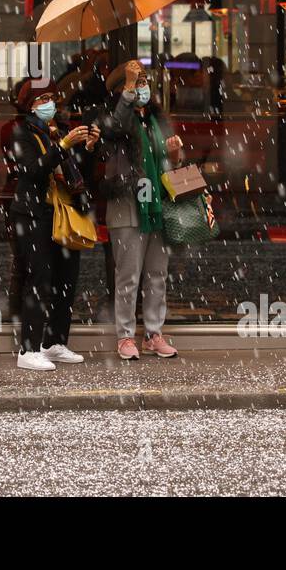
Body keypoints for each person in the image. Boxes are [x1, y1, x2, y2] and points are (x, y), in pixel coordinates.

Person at [5, 82, 98, 371]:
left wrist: (89, 147)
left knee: (66, 280)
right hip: (35, 213)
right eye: (42, 99)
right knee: (39, 279)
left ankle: (54, 342)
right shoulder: (22, 133)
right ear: (30, 105)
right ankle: (28, 348)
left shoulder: (58, 130)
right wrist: (63, 146)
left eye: (52, 98)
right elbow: (32, 170)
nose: (50, 104)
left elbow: (77, 170)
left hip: (64, 212)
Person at [99, 59, 183, 361]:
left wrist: (174, 154)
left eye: (145, 80)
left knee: (157, 273)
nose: (143, 87)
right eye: (137, 81)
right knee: (128, 274)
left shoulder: (155, 119)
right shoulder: (114, 117)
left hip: (157, 205)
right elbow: (113, 129)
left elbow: (167, 162)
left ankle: (153, 333)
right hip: (127, 205)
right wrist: (128, 90)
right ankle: (124, 336)